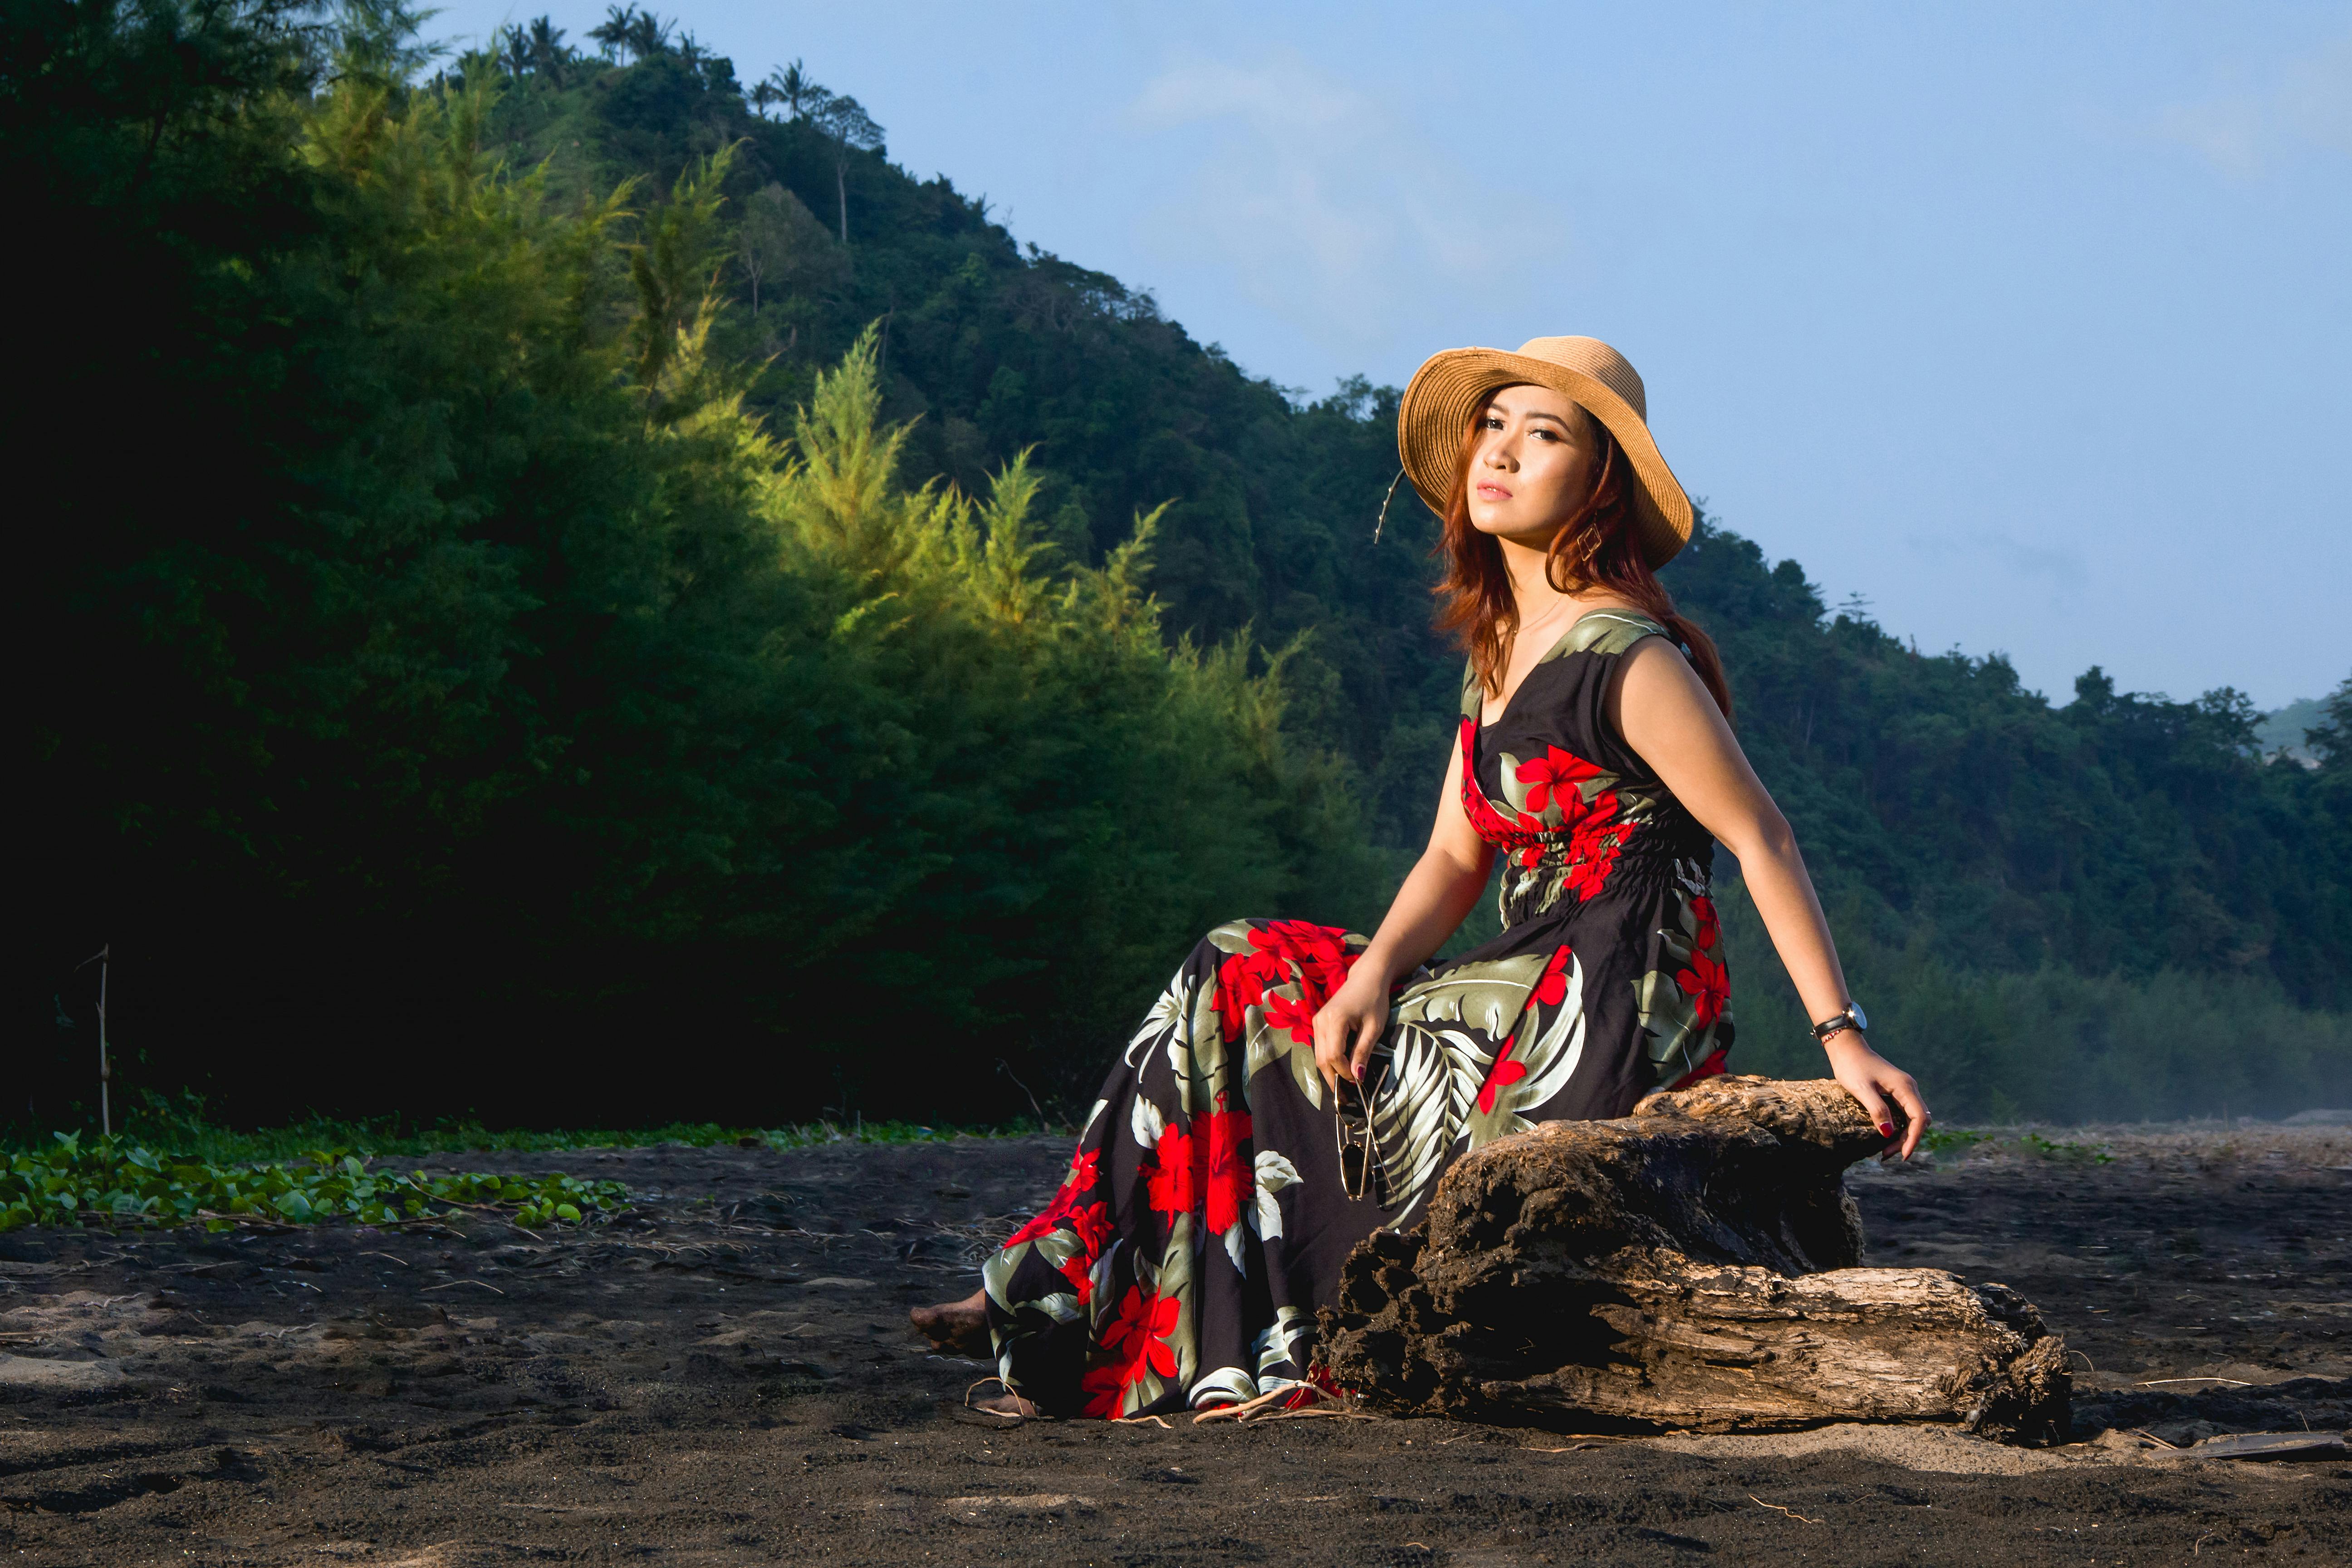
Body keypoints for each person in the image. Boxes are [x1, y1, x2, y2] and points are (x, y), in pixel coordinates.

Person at [912, 335, 1930, 1421]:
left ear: (1598, 483)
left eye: (1542, 435)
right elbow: (1455, 855)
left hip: (1609, 997)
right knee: (1243, 975)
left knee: (1253, 985)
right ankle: (1056, 1278)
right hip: (1514, 976)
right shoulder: (1498, 654)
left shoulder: (1633, 658)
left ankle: (1061, 1287)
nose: (1499, 452)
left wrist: (1842, 1037)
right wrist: (1371, 977)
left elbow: (1762, 838)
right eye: (1493, 427)